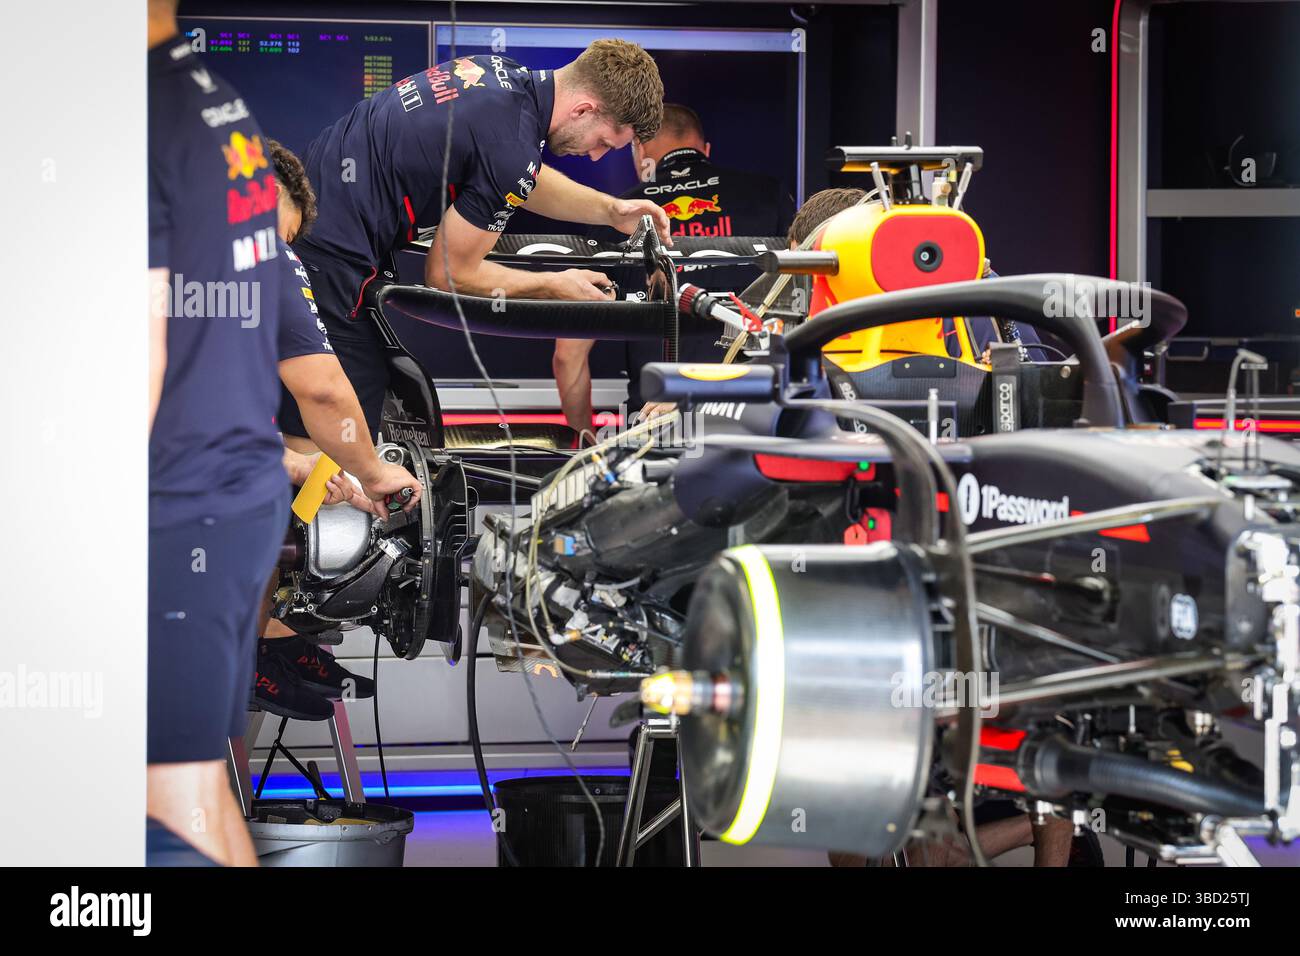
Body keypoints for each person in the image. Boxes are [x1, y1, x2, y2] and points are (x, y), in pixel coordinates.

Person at [277, 40, 670, 460]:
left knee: (356, 397)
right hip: (327, 253)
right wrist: (554, 285)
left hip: (311, 222)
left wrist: (611, 209)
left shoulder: (500, 76)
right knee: (337, 423)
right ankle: (306, 521)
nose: (595, 156)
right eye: (604, 142)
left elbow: (520, 173)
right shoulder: (511, 146)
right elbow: (448, 274)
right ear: (584, 109)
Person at [252, 141, 420, 720]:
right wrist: (373, 472)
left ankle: (264, 645)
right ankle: (247, 656)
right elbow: (322, 388)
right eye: (288, 233)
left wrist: (297, 464)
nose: (287, 247)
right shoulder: (260, 253)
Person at [579, 103, 797, 427]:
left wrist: (585, 446)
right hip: (754, 414)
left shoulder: (619, 216)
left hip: (657, 421)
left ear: (639, 152)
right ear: (706, 150)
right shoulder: (768, 195)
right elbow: (803, 303)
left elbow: (569, 356)